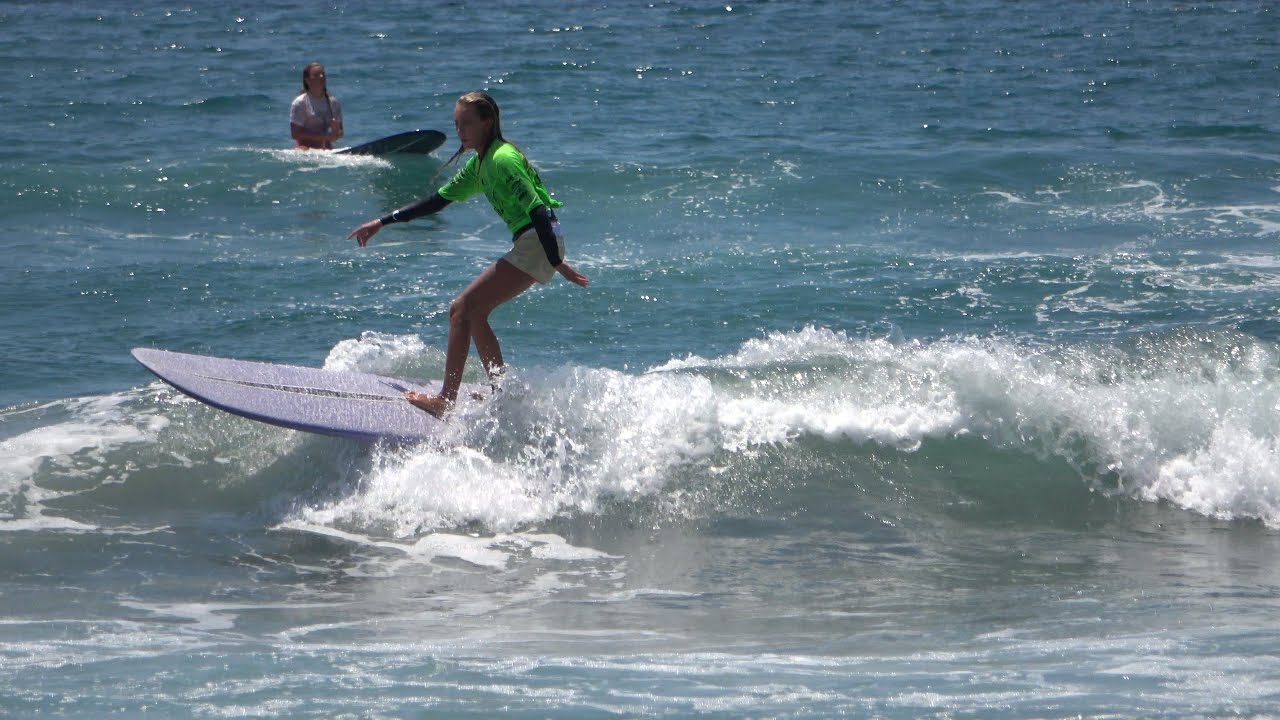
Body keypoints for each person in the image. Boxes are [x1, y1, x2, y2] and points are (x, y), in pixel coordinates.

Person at [347, 91, 590, 417]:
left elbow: (539, 209)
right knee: (474, 314)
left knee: (460, 309)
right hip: (535, 241)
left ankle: (445, 400)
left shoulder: (503, 159)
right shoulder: (480, 165)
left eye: (467, 124)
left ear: (487, 122)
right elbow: (437, 200)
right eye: (456, 125)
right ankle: (501, 394)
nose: (460, 131)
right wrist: (382, 221)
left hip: (536, 239)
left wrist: (557, 262)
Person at [290, 62, 343, 149]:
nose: (321, 77)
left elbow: (340, 131)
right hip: (305, 149)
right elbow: (295, 134)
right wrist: (324, 136)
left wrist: (336, 133)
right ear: (307, 81)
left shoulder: (333, 103)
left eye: (323, 74)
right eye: (316, 75)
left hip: (327, 149)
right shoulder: (300, 103)